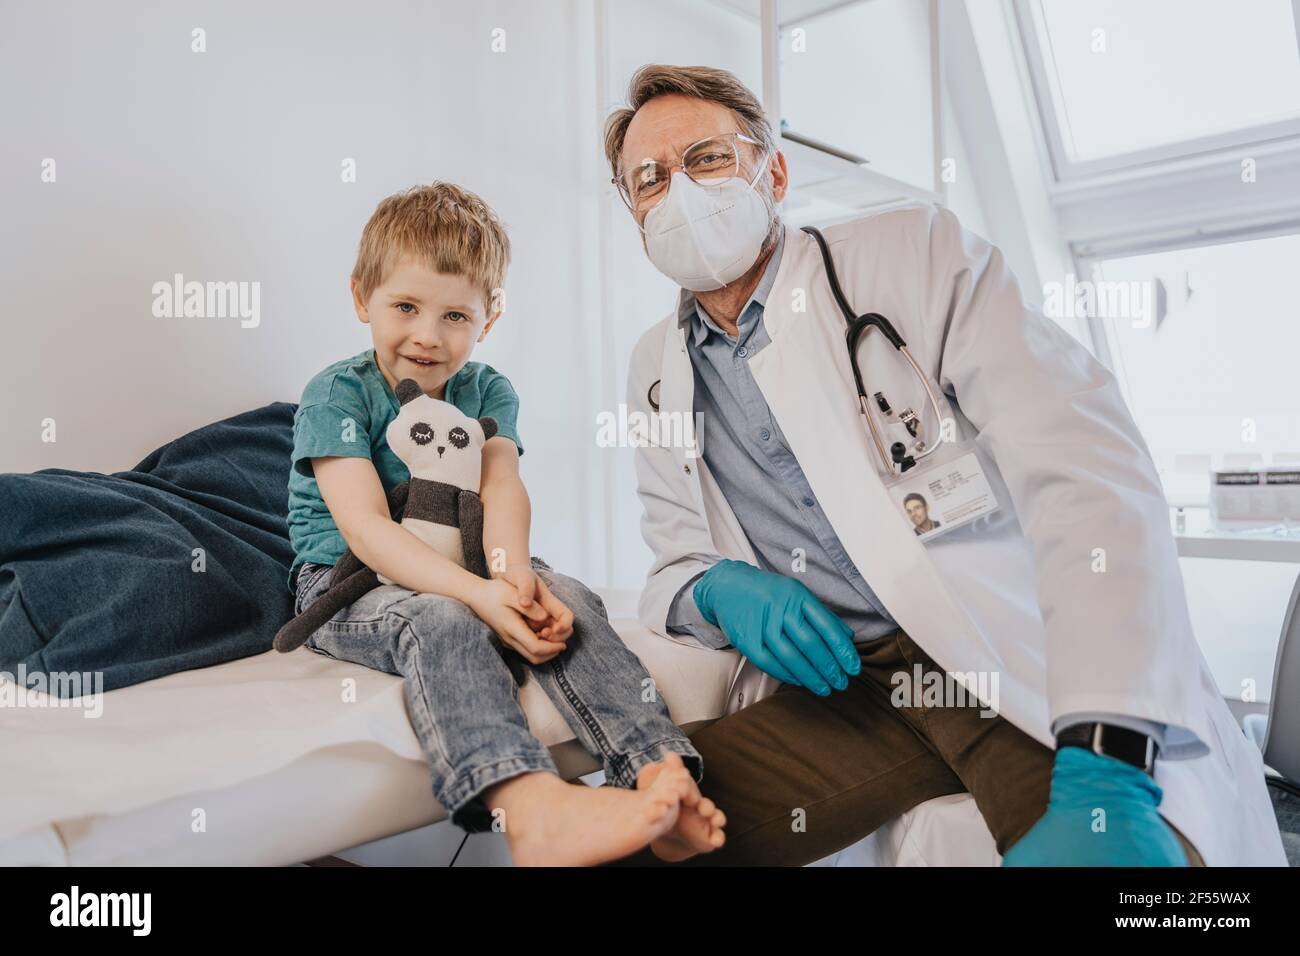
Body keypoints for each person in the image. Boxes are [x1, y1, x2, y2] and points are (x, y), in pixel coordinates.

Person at [606, 65, 1285, 866]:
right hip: (846, 690)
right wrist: (717, 590)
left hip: (992, 659)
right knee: (630, 835)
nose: (678, 191)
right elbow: (672, 562)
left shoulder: (911, 256)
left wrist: (1106, 761)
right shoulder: (657, 370)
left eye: (708, 159)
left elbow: (1086, 468)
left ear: (773, 172)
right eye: (649, 178)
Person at [285, 182, 725, 865]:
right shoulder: (337, 393)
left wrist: (511, 579)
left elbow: (502, 490)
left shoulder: (487, 391)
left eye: (455, 315)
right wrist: (476, 597)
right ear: (360, 297)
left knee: (569, 599)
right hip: (348, 580)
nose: (429, 336)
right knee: (441, 621)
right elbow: (368, 530)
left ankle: (654, 765)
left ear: (488, 318)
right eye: (406, 307)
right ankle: (527, 804)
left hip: (464, 565)